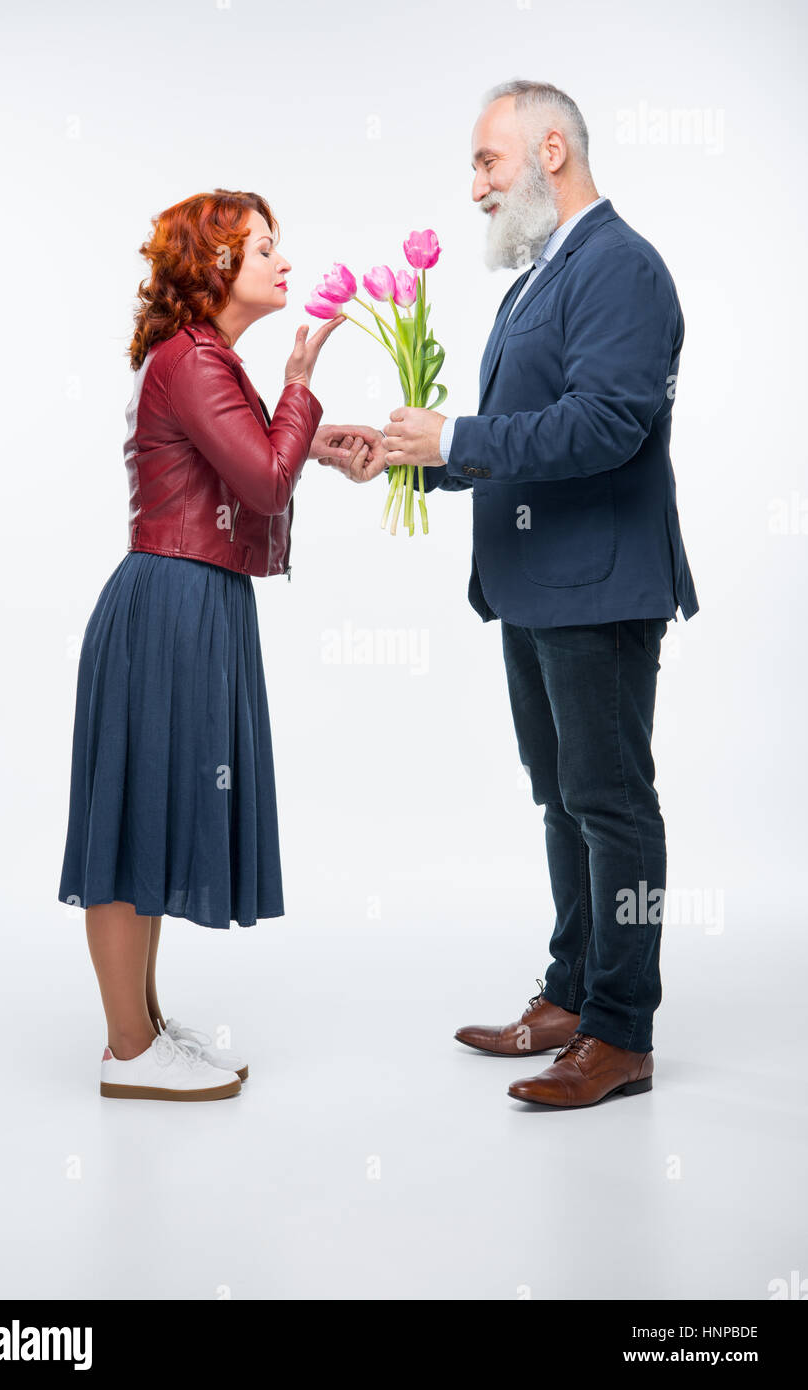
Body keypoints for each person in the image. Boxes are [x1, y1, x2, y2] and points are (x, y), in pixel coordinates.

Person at [331, 80, 699, 1109]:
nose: (477, 188)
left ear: (549, 150)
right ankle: (574, 992)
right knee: (562, 798)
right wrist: (407, 457)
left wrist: (453, 437)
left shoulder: (619, 265)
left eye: (486, 164)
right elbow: (523, 436)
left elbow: (607, 424)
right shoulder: (539, 277)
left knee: (611, 805)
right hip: (537, 589)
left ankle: (622, 1034)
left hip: (598, 587)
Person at [58, 188, 385, 1102]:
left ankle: (145, 1031)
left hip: (190, 601)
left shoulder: (203, 360)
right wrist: (301, 388)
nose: (285, 261)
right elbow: (264, 485)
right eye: (264, 247)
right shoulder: (195, 362)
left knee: (150, 814)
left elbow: (254, 463)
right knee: (132, 824)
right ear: (214, 267)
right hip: (173, 604)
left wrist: (316, 440)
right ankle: (128, 1052)